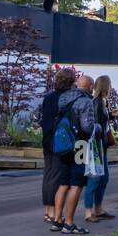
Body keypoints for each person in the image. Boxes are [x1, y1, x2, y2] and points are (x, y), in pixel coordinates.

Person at [50, 73, 99, 234]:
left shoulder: (64, 98)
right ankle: (69, 223)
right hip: (79, 145)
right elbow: (87, 127)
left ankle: (57, 220)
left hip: (62, 144)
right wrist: (97, 127)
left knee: (63, 183)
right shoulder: (85, 101)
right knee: (76, 184)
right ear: (90, 87)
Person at [37, 68, 73, 226]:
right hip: (60, 141)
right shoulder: (67, 99)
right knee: (57, 176)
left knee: (48, 174)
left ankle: (47, 210)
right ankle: (52, 212)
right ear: (70, 82)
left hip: (47, 139)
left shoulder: (49, 97)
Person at [83, 75, 115, 223]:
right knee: (95, 179)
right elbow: (95, 126)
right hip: (95, 146)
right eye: (109, 85)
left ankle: (98, 208)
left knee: (104, 178)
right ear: (105, 86)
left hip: (100, 146)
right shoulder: (96, 103)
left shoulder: (102, 102)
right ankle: (88, 212)